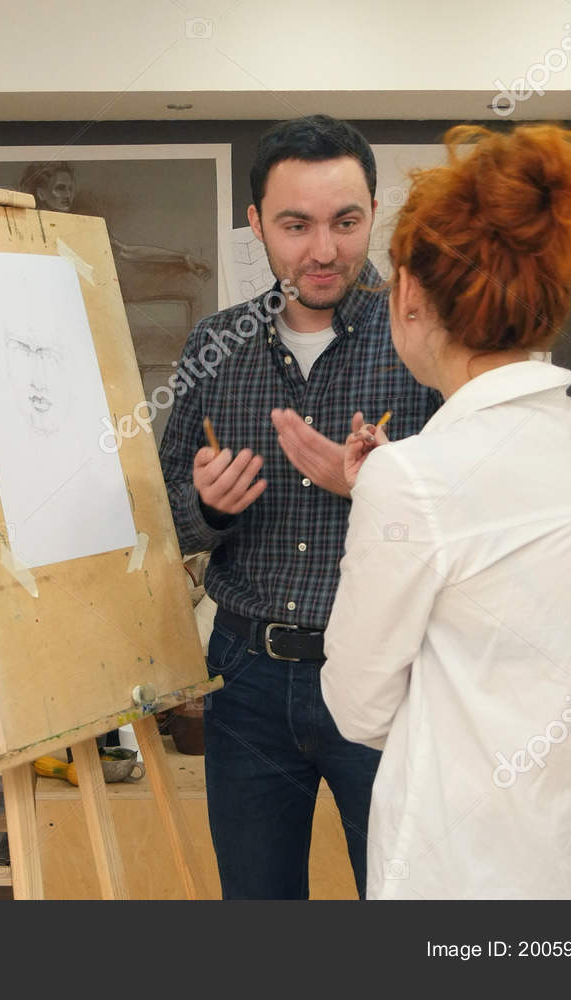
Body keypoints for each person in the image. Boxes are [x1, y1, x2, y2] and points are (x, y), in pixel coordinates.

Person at [311, 123, 571, 899]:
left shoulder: (416, 477)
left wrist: (389, 493)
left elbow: (357, 703)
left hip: (467, 861)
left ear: (407, 296)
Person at [158, 115, 441, 899]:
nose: (324, 250)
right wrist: (206, 512)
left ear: (374, 211)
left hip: (391, 673)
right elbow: (159, 516)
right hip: (246, 678)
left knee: (405, 897)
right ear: (256, 226)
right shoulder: (215, 348)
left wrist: (386, 491)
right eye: (296, 225)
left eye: (346, 222)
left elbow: (481, 511)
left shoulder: (428, 339)